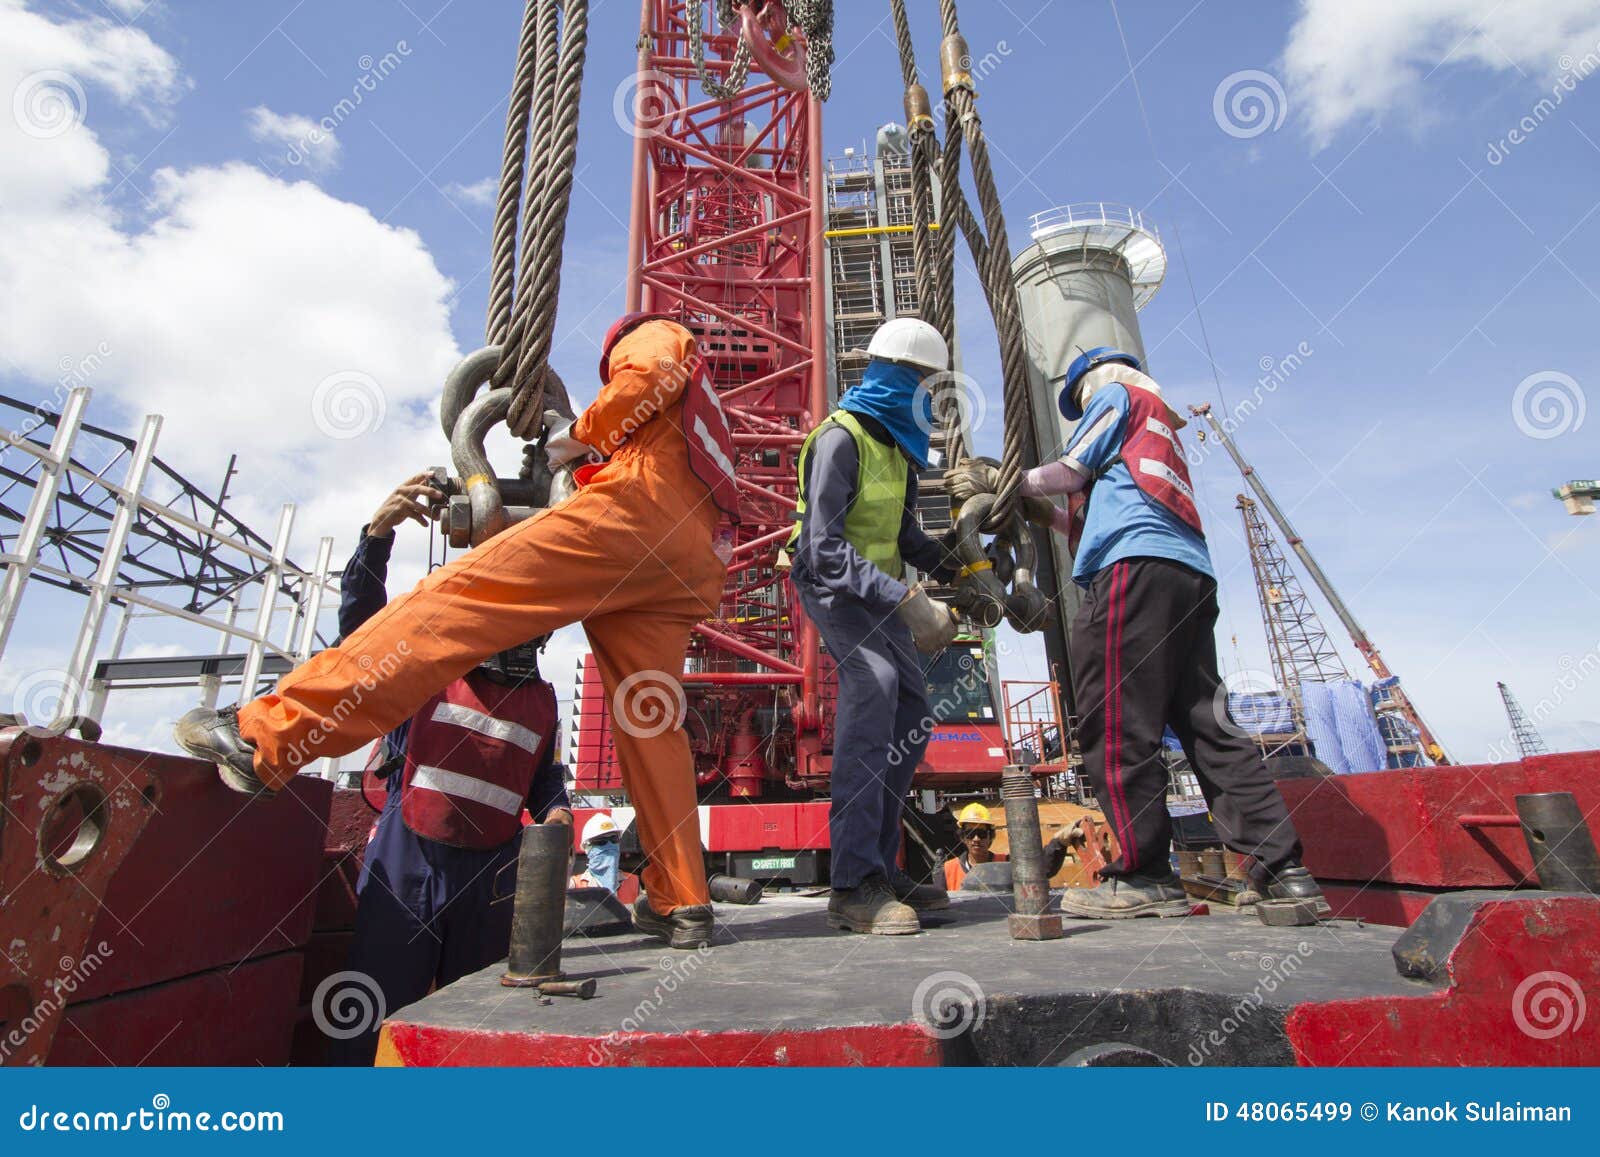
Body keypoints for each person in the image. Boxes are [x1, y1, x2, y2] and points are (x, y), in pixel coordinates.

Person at [175, 314, 740, 949]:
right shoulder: (709, 405)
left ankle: (268, 737)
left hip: (637, 514)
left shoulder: (656, 332)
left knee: (452, 605)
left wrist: (580, 435)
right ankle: (681, 900)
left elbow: (648, 376)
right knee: (649, 725)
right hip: (690, 561)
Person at [947, 347, 1326, 919]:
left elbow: (1068, 472)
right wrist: (1031, 505)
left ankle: (1146, 875)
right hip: (1187, 578)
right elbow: (1075, 513)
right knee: (1207, 723)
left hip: (1131, 570)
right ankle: (1285, 872)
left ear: (1090, 384)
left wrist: (1009, 482)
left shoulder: (1118, 396)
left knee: (1117, 718)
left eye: (1078, 403)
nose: (1081, 411)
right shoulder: (1156, 434)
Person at [322, 476, 571, 1066]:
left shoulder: (541, 698)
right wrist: (377, 535)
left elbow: (543, 779)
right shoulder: (431, 671)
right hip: (409, 866)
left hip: (491, 879)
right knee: (373, 1012)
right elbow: (362, 633)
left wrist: (558, 808)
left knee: (476, 1022)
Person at [786, 317, 966, 936]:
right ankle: (853, 882)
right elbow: (823, 550)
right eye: (919, 381)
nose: (925, 396)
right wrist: (910, 602)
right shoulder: (841, 439)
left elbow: (903, 535)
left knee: (914, 710)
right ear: (891, 376)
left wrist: (961, 563)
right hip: (832, 585)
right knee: (876, 685)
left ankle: (884, 866)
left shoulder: (897, 449)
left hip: (879, 593)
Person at [941, 801, 1071, 891]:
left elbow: (1038, 869)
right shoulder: (948, 870)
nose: (976, 839)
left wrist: (1058, 844)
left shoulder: (1006, 863)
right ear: (963, 837)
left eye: (981, 834)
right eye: (970, 834)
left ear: (990, 836)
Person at [571, 812, 622, 893]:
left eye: (613, 839)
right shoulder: (574, 885)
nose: (609, 844)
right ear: (587, 848)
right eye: (600, 841)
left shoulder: (634, 881)